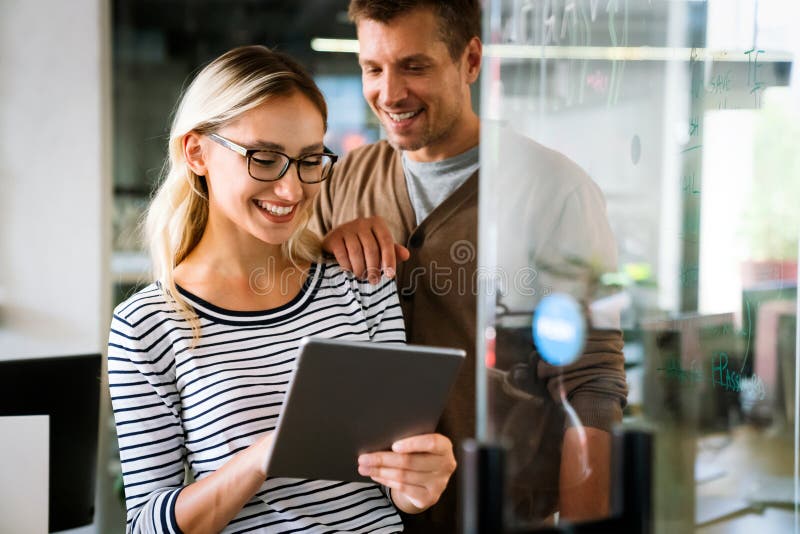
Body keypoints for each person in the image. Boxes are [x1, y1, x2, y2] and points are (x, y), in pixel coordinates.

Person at [107, 45, 457, 533]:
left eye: (309, 160)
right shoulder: (147, 327)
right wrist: (263, 457)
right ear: (196, 151)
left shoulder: (361, 279)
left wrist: (419, 483)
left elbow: (397, 484)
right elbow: (145, 526)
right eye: (265, 158)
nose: (292, 190)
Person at [310, 1, 628, 531]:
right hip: (358, 520)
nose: (389, 94)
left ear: (471, 60)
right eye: (373, 68)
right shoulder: (341, 180)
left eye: (415, 66)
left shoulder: (555, 190)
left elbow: (590, 386)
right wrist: (318, 246)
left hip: (498, 515)